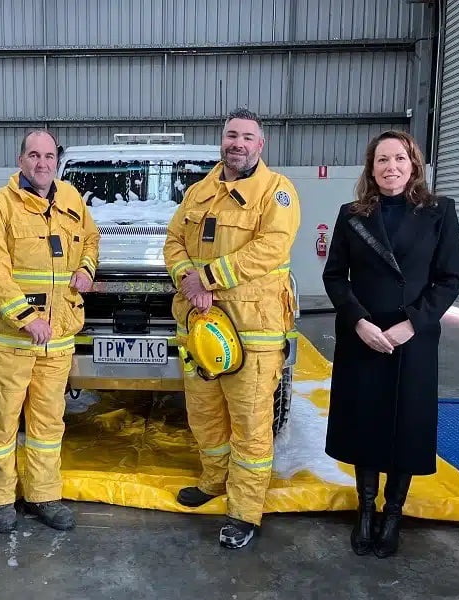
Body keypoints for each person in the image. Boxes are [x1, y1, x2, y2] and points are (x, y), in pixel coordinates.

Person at [322, 130, 459, 558]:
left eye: (399, 158)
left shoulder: (439, 212)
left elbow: (450, 278)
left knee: (406, 424)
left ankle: (393, 513)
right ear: (371, 168)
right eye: (382, 160)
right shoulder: (352, 214)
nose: (391, 167)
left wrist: (413, 324)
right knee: (366, 421)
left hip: (412, 338)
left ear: (413, 163)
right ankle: (365, 511)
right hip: (364, 335)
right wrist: (359, 321)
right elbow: (334, 278)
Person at [163, 108, 301, 548]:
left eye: (246, 137)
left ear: (260, 146)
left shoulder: (277, 193)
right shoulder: (199, 192)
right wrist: (188, 276)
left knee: (250, 425)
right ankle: (214, 481)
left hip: (253, 332)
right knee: (204, 417)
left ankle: (244, 512)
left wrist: (208, 277)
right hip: (201, 326)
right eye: (230, 136)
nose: (236, 143)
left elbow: (270, 249)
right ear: (221, 142)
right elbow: (172, 242)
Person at [0, 130, 100, 534]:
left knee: (48, 425)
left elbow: (91, 241)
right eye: (34, 155)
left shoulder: (71, 201)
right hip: (10, 342)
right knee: (1, 423)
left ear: (56, 160)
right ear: (21, 159)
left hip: (57, 342)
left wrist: (85, 270)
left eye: (49, 156)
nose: (42, 163)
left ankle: (43, 495)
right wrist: (27, 317)